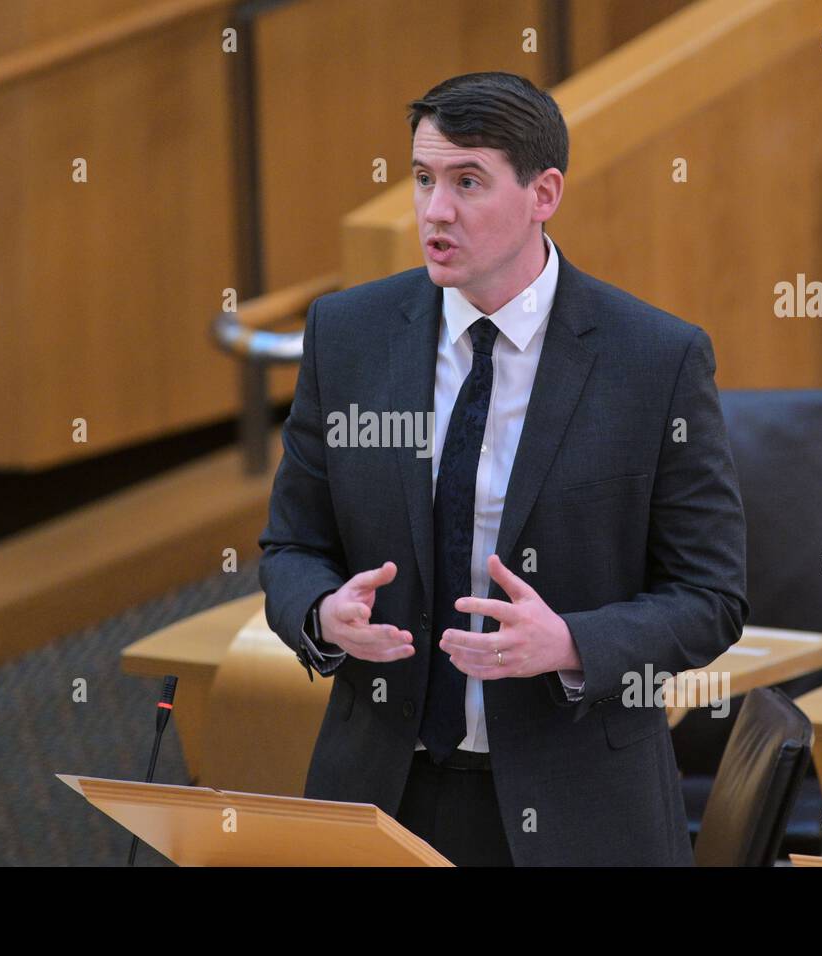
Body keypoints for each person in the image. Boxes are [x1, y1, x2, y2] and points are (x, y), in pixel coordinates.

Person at [258, 71, 747, 866]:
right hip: (384, 786)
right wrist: (321, 613)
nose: (434, 210)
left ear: (543, 192)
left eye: (467, 181)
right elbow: (290, 546)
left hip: (578, 800)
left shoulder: (654, 360)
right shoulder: (349, 335)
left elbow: (711, 597)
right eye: (423, 179)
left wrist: (570, 642)